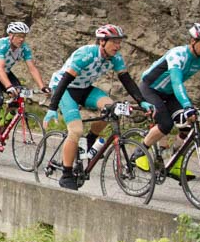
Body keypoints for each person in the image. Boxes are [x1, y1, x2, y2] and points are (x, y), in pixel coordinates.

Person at [44, 24, 146, 190]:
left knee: (111, 108)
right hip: (65, 88)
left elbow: (127, 80)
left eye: (119, 42)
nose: (118, 46)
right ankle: (66, 173)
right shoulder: (86, 54)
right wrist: (52, 107)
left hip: (85, 88)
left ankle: (90, 141)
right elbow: (65, 80)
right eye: (114, 42)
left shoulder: (116, 58)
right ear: (102, 42)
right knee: (76, 131)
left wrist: (141, 101)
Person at [135, 23, 200, 172]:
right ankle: (138, 154)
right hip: (150, 89)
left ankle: (174, 160)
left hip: (169, 94)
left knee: (189, 124)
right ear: (193, 41)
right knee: (166, 124)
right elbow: (176, 82)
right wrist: (187, 105)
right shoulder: (178, 54)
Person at [0, 22, 47, 146]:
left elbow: (32, 68)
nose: (21, 39)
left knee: (19, 97)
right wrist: (9, 87)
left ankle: (3, 126)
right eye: (19, 36)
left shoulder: (24, 48)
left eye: (24, 36)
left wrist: (43, 86)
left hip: (5, 71)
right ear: (10, 35)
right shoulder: (1, 44)